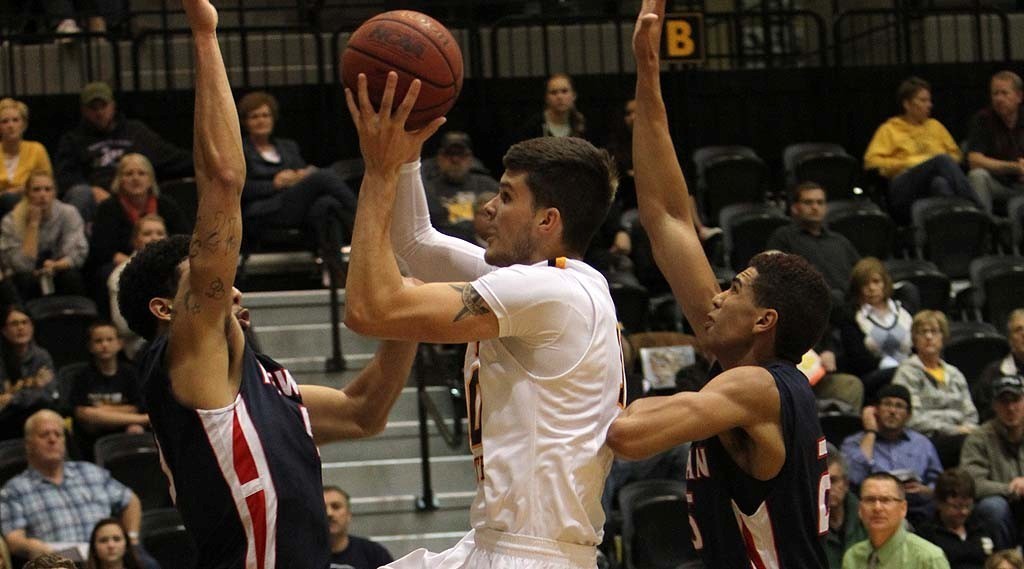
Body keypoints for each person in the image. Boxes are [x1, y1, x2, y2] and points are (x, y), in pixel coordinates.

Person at [115, 2, 418, 566]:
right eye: (208, 279)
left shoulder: (266, 382)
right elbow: (225, 180)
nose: (231, 289)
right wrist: (205, 33)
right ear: (166, 308)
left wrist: (408, 317)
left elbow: (362, 411)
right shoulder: (185, 357)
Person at [345, 68, 623, 569]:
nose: (489, 208)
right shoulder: (551, 281)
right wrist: (408, 145)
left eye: (508, 196)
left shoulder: (547, 291)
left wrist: (380, 170)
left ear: (547, 221)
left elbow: (370, 309)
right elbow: (414, 242)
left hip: (532, 556)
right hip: (496, 545)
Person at [604, 2, 832, 566]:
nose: (718, 294)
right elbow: (666, 217)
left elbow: (629, 436)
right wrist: (648, 75)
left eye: (735, 287)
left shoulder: (757, 388)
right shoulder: (740, 373)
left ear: (763, 320)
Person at [238, 90, 357, 272]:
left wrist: (301, 175)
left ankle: (334, 271)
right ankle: (360, 218)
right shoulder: (241, 150)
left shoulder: (288, 147)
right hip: (265, 210)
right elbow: (241, 189)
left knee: (326, 204)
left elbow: (301, 179)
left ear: (273, 118)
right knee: (323, 177)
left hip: (295, 205)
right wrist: (275, 184)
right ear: (246, 122)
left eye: (265, 115)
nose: (261, 120)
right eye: (255, 117)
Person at [0, 409, 141, 561]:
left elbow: (131, 501)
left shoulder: (90, 472)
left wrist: (131, 538)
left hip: (107, 558)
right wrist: (35, 547)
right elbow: (14, 540)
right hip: (60, 561)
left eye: (58, 434)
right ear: (28, 444)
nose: (52, 439)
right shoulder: (15, 489)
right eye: (44, 435)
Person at [54, 82, 193, 225]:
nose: (99, 113)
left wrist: (208, 162)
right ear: (83, 110)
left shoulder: (136, 133)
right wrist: (93, 190)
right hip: (96, 198)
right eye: (93, 108)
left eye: (103, 106)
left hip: (136, 197)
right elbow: (64, 177)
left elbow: (172, 158)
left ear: (113, 106)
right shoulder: (73, 140)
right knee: (80, 194)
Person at [864, 76, 981, 223]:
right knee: (941, 160)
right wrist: (909, 163)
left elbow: (956, 155)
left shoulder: (935, 126)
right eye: (923, 100)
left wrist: (931, 165)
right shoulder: (889, 129)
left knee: (940, 183)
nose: (929, 105)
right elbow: (871, 161)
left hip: (933, 182)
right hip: (903, 185)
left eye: (929, 100)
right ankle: (978, 209)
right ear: (907, 104)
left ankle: (954, 228)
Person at [87, 153, 188, 311]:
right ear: (120, 179)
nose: (136, 178)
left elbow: (183, 241)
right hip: (123, 262)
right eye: (129, 173)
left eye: (141, 173)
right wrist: (132, 263)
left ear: (150, 179)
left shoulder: (167, 205)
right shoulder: (108, 208)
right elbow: (100, 249)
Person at [840, 384, 943, 525]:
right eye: (887, 404)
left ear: (909, 415)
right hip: (873, 511)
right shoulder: (854, 442)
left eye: (899, 406)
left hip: (917, 509)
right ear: (875, 410)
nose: (893, 411)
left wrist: (926, 490)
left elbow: (939, 482)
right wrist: (871, 432)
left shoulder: (922, 443)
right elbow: (854, 477)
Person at [892, 310, 978, 467]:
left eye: (934, 331)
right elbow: (911, 418)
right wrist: (954, 430)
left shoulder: (955, 373)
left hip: (961, 435)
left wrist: (970, 429)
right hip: (926, 438)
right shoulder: (906, 372)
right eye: (923, 332)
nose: (929, 337)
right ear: (914, 339)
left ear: (943, 337)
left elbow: (970, 414)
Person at [0, 170, 89, 301]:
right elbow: (21, 266)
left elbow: (77, 253)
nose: (43, 194)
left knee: (71, 277)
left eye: (48, 189)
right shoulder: (11, 220)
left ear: (55, 192)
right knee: (24, 280)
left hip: (57, 269)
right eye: (36, 190)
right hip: (25, 276)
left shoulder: (68, 213)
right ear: (27, 194)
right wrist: (33, 225)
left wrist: (55, 265)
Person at [959, 375, 1024, 551]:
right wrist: (1011, 488)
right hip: (998, 505)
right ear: (995, 406)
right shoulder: (979, 438)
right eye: (1004, 402)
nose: (1010, 408)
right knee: (993, 507)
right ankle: (1004, 560)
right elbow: (971, 483)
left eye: (1016, 400)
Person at [837, 257, 914, 398]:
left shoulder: (903, 310)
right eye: (865, 284)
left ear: (885, 283)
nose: (871, 288)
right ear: (858, 289)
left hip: (911, 371)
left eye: (876, 282)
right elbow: (858, 359)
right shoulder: (852, 318)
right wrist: (889, 365)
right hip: (875, 378)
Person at [766, 181, 862, 294]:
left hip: (848, 307)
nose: (815, 207)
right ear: (795, 208)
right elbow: (776, 279)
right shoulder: (783, 238)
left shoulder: (840, 241)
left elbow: (861, 273)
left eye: (820, 202)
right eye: (808, 202)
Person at [70, 321, 147, 461]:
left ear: (120, 343)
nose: (104, 345)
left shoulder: (130, 373)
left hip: (124, 436)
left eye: (109, 339)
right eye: (98, 341)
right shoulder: (82, 376)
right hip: (90, 442)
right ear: (90, 346)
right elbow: (83, 414)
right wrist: (142, 419)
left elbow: (136, 407)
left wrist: (100, 411)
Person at [842, 472, 950, 569]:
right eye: (870, 500)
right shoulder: (852, 557)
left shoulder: (928, 558)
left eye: (886, 500)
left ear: (903, 508)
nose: (877, 507)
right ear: (860, 509)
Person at [421, 131, 499, 244]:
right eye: (449, 154)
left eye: (461, 154)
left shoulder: (488, 185)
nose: (455, 160)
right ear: (439, 158)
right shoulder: (427, 190)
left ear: (470, 158)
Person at [107, 215, 167, 361]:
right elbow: (124, 326)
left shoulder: (177, 270)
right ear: (135, 240)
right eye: (147, 233)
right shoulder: (121, 275)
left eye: (160, 233)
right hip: (142, 348)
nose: (154, 238)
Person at [965, 71, 1024, 214]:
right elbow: (974, 160)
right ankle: (984, 230)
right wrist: (1015, 167)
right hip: (999, 184)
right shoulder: (983, 119)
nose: (999, 99)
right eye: (995, 94)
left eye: (1004, 93)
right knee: (977, 175)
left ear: (1019, 96)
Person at [917, 469, 994, 569]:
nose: (964, 512)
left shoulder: (981, 526)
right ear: (939, 503)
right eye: (956, 506)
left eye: (968, 506)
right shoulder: (926, 534)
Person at [0, 306, 57, 441]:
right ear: (3, 330)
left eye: (25, 322)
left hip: (35, 415)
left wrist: (12, 397)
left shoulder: (41, 356)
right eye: (14, 324)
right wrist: (33, 384)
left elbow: (48, 394)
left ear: (32, 327)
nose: (20, 328)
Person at [0, 98, 53, 215]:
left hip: (31, 204)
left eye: (15, 120)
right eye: (5, 121)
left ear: (23, 125)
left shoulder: (37, 149)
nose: (10, 125)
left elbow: (47, 183)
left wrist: (17, 190)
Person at [324, 486, 394, 569]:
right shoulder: (306, 555)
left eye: (336, 507)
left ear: (349, 514)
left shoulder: (374, 554)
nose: (329, 513)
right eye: (323, 508)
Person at [975, 308, 1024, 423]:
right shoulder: (992, 373)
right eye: (1018, 330)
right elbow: (984, 415)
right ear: (1010, 339)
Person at [513, 73, 587, 143]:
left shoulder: (581, 125)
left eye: (564, 91)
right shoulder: (533, 127)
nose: (559, 97)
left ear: (574, 95)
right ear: (546, 98)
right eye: (553, 92)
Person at [826, 449, 868, 569]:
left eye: (833, 480)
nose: (828, 488)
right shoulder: (804, 524)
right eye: (822, 482)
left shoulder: (868, 516)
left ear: (846, 484)